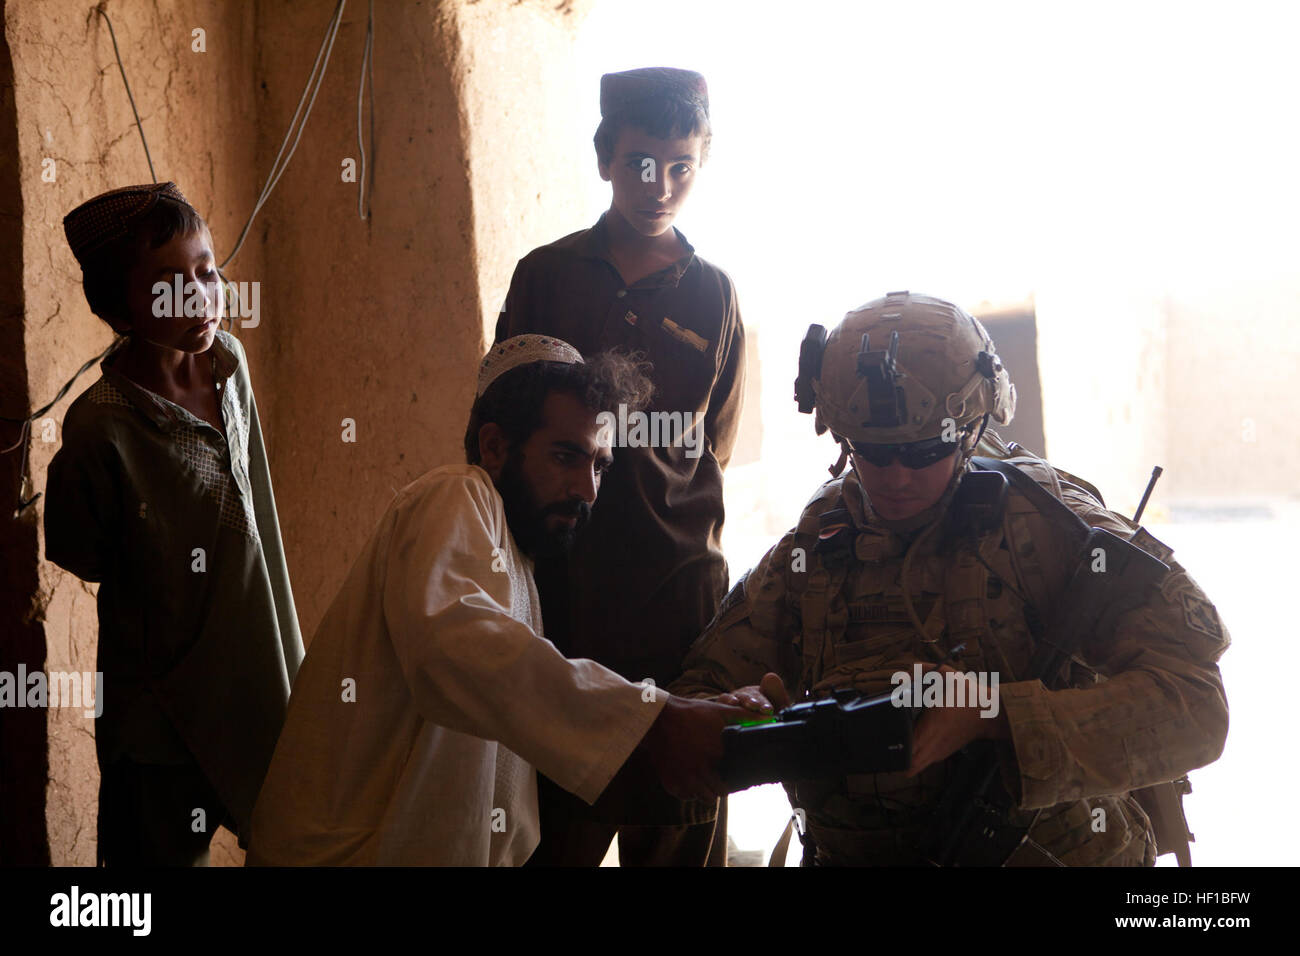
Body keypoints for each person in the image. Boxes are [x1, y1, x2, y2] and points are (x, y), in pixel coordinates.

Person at [671, 291, 1231, 866]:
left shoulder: (1046, 527)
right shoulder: (820, 542)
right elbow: (692, 702)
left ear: (969, 428)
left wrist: (994, 716)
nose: (893, 477)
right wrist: (756, 722)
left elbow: (1196, 705)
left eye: (921, 451)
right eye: (871, 451)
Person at [247, 336, 747, 866]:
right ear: (493, 446)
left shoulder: (517, 557)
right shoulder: (454, 494)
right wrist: (657, 720)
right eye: (566, 456)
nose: (589, 490)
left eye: (600, 465)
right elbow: (457, 646)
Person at [496, 67, 745, 866]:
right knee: (548, 835)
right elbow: (500, 425)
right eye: (641, 162)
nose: (659, 185)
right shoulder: (546, 276)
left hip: (683, 614)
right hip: (564, 611)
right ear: (605, 158)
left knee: (676, 833)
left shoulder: (715, 296)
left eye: (681, 166)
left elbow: (715, 445)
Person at [45, 182, 303, 865]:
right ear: (118, 308)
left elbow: (257, 513)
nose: (199, 295)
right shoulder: (102, 424)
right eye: (167, 284)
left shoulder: (229, 364)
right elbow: (83, 553)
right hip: (160, 711)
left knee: (292, 838)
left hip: (256, 668)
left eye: (207, 271)